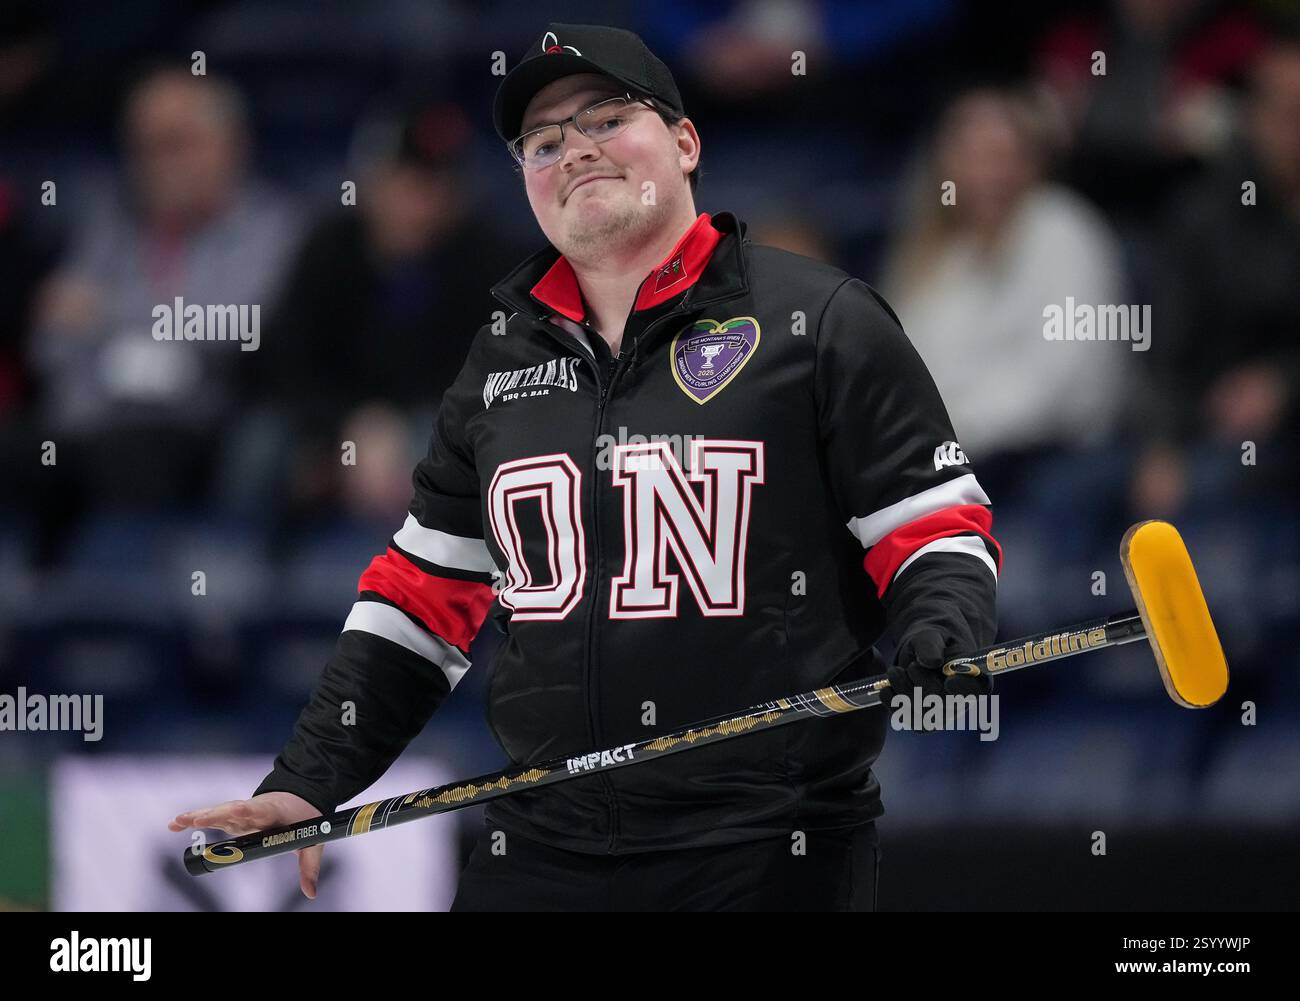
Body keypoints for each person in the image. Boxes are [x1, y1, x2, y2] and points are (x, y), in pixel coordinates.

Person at [170, 22, 1000, 912]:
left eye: (606, 119)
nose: (574, 151)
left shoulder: (821, 320)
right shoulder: (497, 362)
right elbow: (419, 603)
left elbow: (931, 524)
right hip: (540, 845)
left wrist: (942, 630)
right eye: (544, 142)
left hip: (765, 845)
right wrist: (306, 782)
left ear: (685, 143)